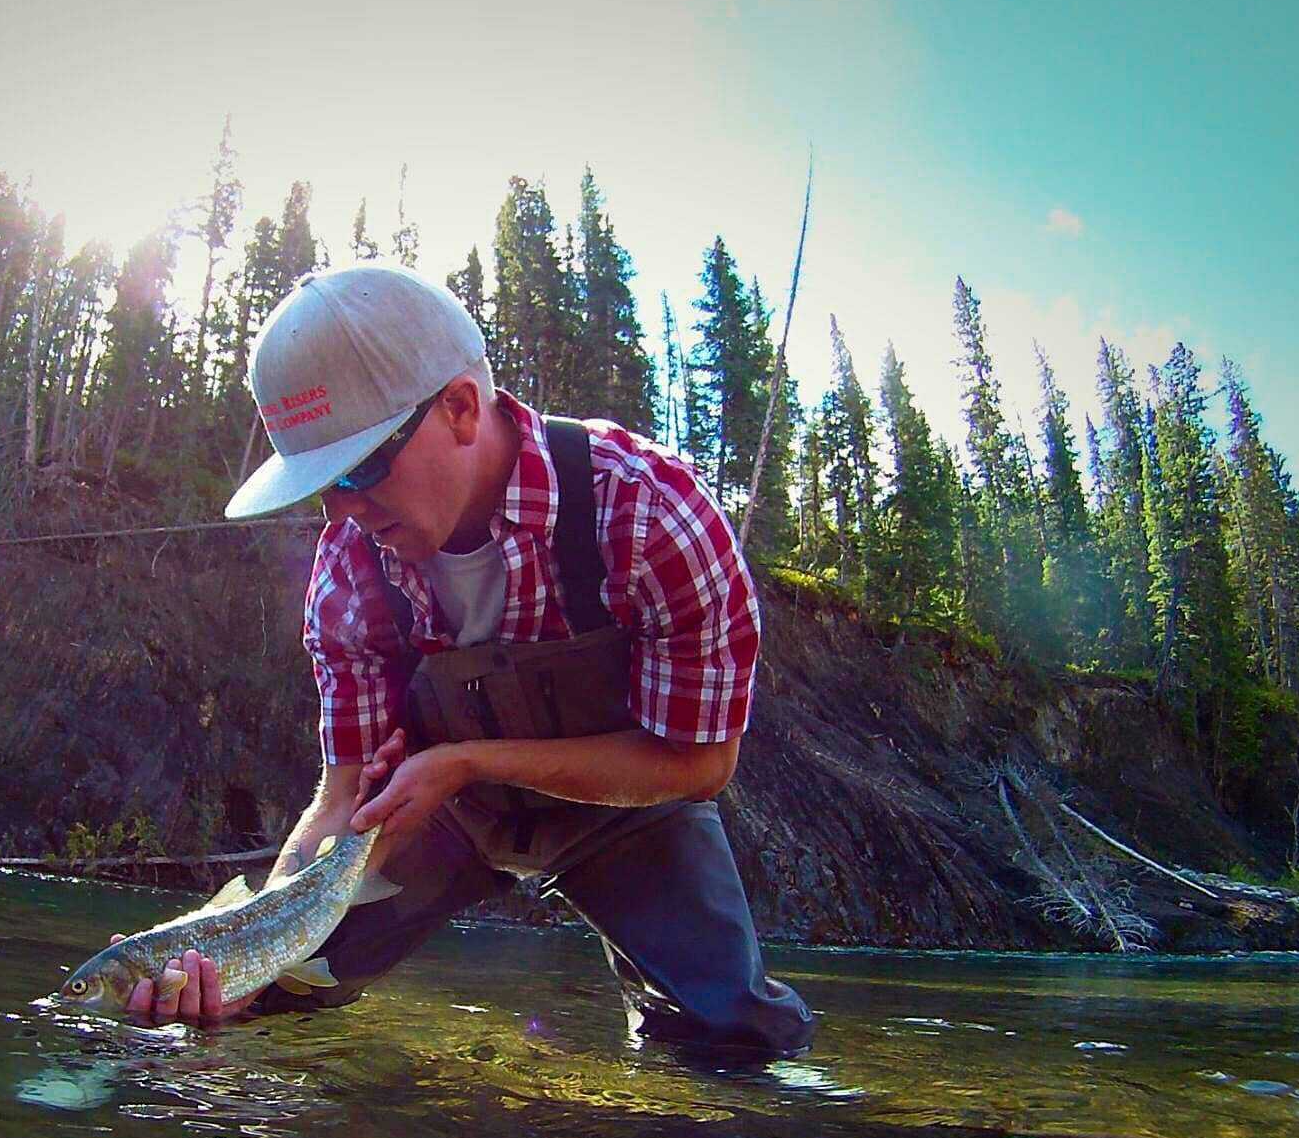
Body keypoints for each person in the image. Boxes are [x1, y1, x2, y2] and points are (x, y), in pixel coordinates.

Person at [119, 264, 814, 1055]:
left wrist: (468, 761)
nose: (340, 510)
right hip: (431, 811)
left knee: (732, 1042)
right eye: (319, 483)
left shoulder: (652, 516)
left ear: (458, 407)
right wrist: (248, 944)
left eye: (359, 468)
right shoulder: (349, 563)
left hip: (627, 805)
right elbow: (344, 793)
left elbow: (698, 764)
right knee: (263, 1000)